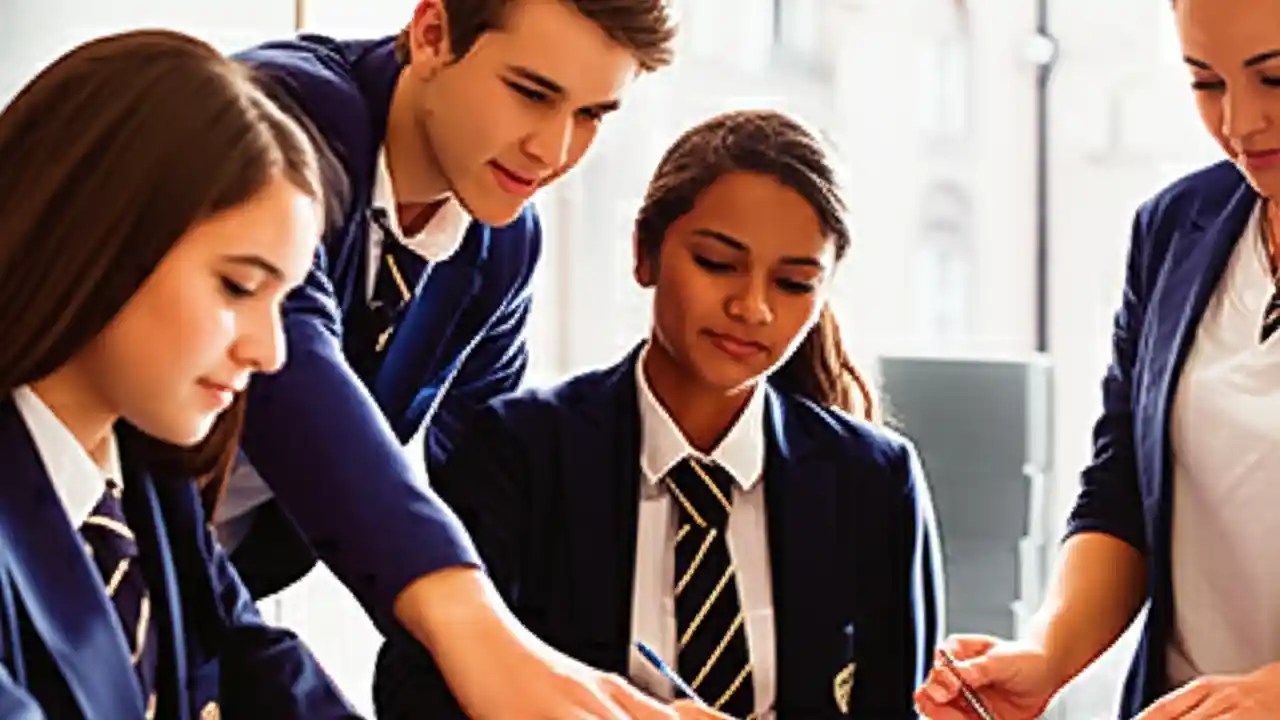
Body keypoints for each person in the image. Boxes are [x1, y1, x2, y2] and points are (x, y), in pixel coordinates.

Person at [374, 109, 946, 719]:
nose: (751, 307)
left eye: (794, 283)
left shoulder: (874, 479)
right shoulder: (517, 451)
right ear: (644, 254)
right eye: (717, 263)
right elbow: (417, 698)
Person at [216, 0, 683, 715]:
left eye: (591, 116)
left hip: (208, 587)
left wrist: (569, 679)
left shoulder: (502, 248)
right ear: (432, 34)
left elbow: (483, 482)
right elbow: (289, 360)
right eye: (531, 93)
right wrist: (475, 632)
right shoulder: (283, 111)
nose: (552, 151)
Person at [915, 1, 1280, 718]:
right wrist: (1047, 655)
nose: (1239, 124)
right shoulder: (1174, 228)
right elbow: (1122, 491)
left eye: (1276, 80)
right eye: (1206, 83)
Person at [0, 29, 357, 719]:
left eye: (281, 302)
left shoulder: (151, 493)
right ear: (98, 237)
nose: (271, 351)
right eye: (237, 287)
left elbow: (271, 680)